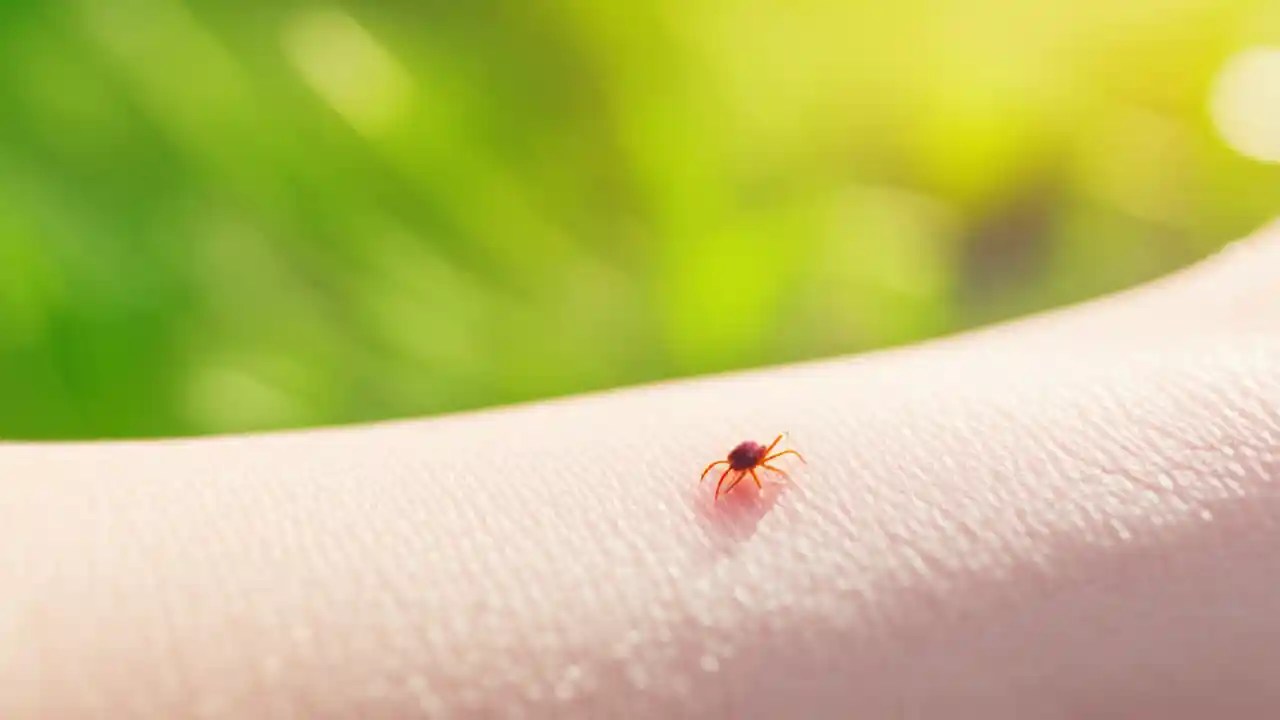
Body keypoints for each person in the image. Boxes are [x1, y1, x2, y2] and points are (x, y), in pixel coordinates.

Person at [6, 221, 1280, 718]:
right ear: (745, 469)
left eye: (751, 471)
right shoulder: (749, 463)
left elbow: (749, 462)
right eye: (748, 471)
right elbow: (751, 466)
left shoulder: (746, 462)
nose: (751, 476)